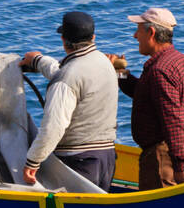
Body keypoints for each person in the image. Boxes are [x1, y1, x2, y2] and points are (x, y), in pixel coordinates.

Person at [20, 11, 120, 191]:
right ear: (93, 37)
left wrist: (33, 161)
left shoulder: (67, 78)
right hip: (106, 157)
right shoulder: (104, 63)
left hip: (78, 162)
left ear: (63, 41)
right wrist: (38, 60)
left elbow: (54, 126)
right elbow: (64, 71)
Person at [109, 7, 184, 190]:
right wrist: (120, 74)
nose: (135, 36)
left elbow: (172, 121)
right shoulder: (178, 60)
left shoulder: (159, 71)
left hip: (164, 156)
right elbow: (145, 94)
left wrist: (179, 166)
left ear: (151, 32)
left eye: (138, 30)